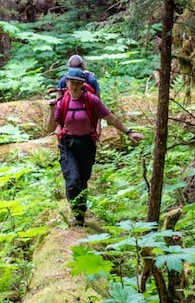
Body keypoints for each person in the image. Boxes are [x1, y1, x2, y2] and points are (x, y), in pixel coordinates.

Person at [46, 69, 144, 226]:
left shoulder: (91, 100)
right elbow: (50, 128)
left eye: (78, 83)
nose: (75, 87)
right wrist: (52, 110)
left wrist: (129, 132)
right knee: (72, 179)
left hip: (87, 144)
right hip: (67, 144)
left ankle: (81, 211)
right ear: (67, 83)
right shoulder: (63, 102)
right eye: (72, 83)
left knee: (83, 179)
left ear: (83, 84)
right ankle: (77, 214)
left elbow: (110, 118)